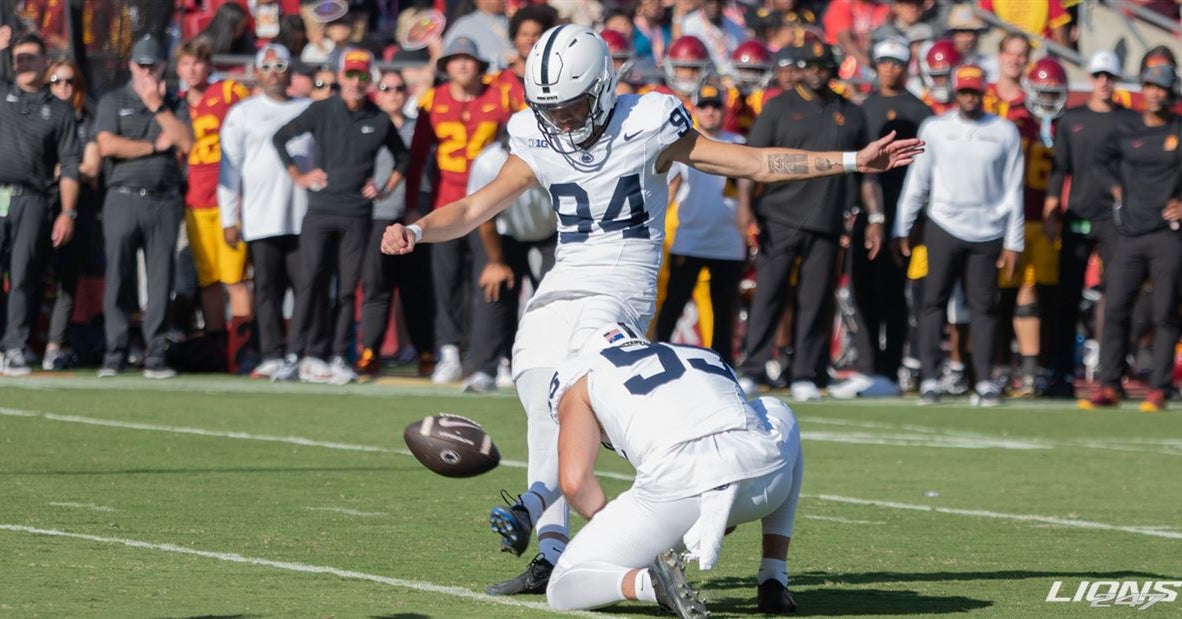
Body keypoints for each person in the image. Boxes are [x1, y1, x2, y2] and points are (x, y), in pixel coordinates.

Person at [379, 25, 919, 596]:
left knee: (572, 402)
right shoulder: (535, 135)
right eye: (550, 109)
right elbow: (474, 207)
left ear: (602, 88)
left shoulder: (649, 121)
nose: (561, 120)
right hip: (563, 279)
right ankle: (554, 551)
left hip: (623, 283)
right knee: (539, 400)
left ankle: (577, 517)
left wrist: (851, 160)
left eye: (571, 106)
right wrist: (417, 230)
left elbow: (753, 162)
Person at [546, 323, 803, 615]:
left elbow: (575, 481)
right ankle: (774, 576)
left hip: (680, 488)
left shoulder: (582, 377)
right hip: (767, 477)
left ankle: (651, 583)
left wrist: (620, 539)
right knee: (778, 409)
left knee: (563, 584)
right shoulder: (698, 353)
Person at [738, 40, 886, 401]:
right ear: (799, 69)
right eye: (810, 66)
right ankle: (753, 368)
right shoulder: (778, 107)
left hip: (828, 220)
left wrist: (876, 217)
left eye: (823, 66)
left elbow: (867, 174)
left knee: (816, 300)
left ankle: (806, 372)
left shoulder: (850, 112)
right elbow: (750, 162)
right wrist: (745, 206)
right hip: (779, 215)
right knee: (769, 295)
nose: (817, 73)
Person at [271, 47, 410, 385]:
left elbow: (403, 158)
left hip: (357, 215)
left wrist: (384, 188)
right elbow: (280, 137)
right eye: (350, 75)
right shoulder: (321, 109)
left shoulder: (378, 118)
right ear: (341, 76)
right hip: (320, 211)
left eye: (362, 76)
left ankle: (337, 356)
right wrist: (299, 176)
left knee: (348, 289)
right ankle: (296, 354)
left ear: (369, 80)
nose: (355, 82)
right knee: (310, 283)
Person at [893, 64, 1024, 407]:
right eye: (964, 91)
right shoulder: (935, 128)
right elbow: (918, 182)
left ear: (984, 93)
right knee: (932, 302)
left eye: (974, 91)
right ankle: (930, 378)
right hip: (943, 225)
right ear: (955, 93)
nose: (969, 97)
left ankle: (983, 380)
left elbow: (1014, 190)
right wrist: (901, 227)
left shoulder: (1004, 131)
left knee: (984, 307)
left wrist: (1014, 241)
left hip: (988, 230)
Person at [404, 37, 517, 385]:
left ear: (480, 64)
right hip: (446, 205)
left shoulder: (499, 95)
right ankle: (449, 350)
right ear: (446, 66)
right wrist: (412, 205)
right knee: (446, 283)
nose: (463, 65)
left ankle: (492, 356)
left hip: (487, 206)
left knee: (489, 282)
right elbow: (416, 159)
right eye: (456, 59)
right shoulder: (433, 100)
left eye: (469, 58)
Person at [1080, 62, 1182, 413]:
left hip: (1167, 236)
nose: (1155, 94)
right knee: (1115, 308)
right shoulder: (1127, 127)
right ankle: (1109, 383)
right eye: (1150, 86)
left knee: (1165, 311)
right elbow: (1098, 162)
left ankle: (1159, 388)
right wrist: (1116, 190)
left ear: (1171, 94)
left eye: (1162, 88)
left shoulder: (1178, 130)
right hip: (1130, 234)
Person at [834, 38, 931, 399]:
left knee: (895, 293)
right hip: (866, 210)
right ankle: (868, 365)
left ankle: (891, 369)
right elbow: (855, 167)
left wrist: (917, 221)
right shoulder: (862, 108)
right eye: (884, 62)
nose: (890, 68)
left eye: (897, 62)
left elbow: (927, 170)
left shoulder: (920, 112)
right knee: (861, 290)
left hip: (904, 212)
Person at [93, 35, 195, 379]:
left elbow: (185, 142)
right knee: (119, 278)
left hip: (163, 199)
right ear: (132, 66)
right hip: (122, 196)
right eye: (142, 65)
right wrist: (153, 147)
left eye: (154, 65)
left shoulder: (173, 102)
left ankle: (156, 355)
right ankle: (116, 353)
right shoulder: (113, 100)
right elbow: (108, 145)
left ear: (163, 66)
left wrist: (157, 106)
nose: (148, 72)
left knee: (161, 280)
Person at [1042, 51, 1138, 398]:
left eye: (1109, 76)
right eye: (1098, 76)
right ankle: (1061, 373)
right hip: (1079, 216)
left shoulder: (1130, 121)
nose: (1104, 82)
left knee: (1117, 297)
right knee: (1067, 296)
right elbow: (1060, 169)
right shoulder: (1073, 119)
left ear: (1117, 79)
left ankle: (1112, 375)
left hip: (1116, 219)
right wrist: (1051, 208)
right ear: (1091, 77)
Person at [218, 44, 313, 380]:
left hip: (304, 217)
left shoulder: (307, 108)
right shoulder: (242, 113)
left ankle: (301, 352)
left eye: (280, 67)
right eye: (267, 67)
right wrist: (229, 218)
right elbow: (229, 169)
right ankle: (271, 353)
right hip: (260, 217)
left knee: (306, 287)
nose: (274, 73)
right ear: (256, 73)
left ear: (291, 72)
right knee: (267, 290)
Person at [0, 32, 81, 376]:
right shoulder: (3, 93)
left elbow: (71, 165)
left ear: (45, 61)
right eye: (18, 58)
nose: (24, 63)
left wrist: (67, 212)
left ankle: (14, 347)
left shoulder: (60, 110)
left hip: (32, 198)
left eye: (31, 57)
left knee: (23, 275)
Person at [655, 85, 746, 366]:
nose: (710, 112)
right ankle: (656, 358)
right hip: (689, 239)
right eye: (704, 106)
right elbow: (670, 189)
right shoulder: (684, 142)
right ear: (695, 109)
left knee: (724, 311)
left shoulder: (738, 143)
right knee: (673, 304)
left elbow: (746, 193)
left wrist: (747, 225)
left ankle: (724, 367)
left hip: (728, 241)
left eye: (715, 106)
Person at [177, 38, 253, 370]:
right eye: (185, 63)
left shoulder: (228, 92)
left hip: (228, 201)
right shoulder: (177, 103)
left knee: (234, 278)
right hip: (195, 201)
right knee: (208, 279)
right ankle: (217, 346)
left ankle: (243, 348)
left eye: (197, 62)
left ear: (209, 66)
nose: (191, 69)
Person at [356, 69, 434, 378]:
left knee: (416, 288)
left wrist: (420, 209)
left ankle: (425, 352)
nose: (393, 94)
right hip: (378, 216)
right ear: (377, 93)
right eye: (386, 88)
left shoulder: (419, 127)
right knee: (377, 286)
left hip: (413, 217)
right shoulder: (369, 126)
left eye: (399, 88)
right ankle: (370, 351)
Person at [42, 57, 103, 372]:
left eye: (69, 81)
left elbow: (91, 168)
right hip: (39, 203)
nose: (63, 87)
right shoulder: (36, 115)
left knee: (68, 279)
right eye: (56, 81)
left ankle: (54, 345)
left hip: (78, 206)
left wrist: (62, 169)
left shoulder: (87, 121)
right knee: (27, 274)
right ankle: (18, 342)